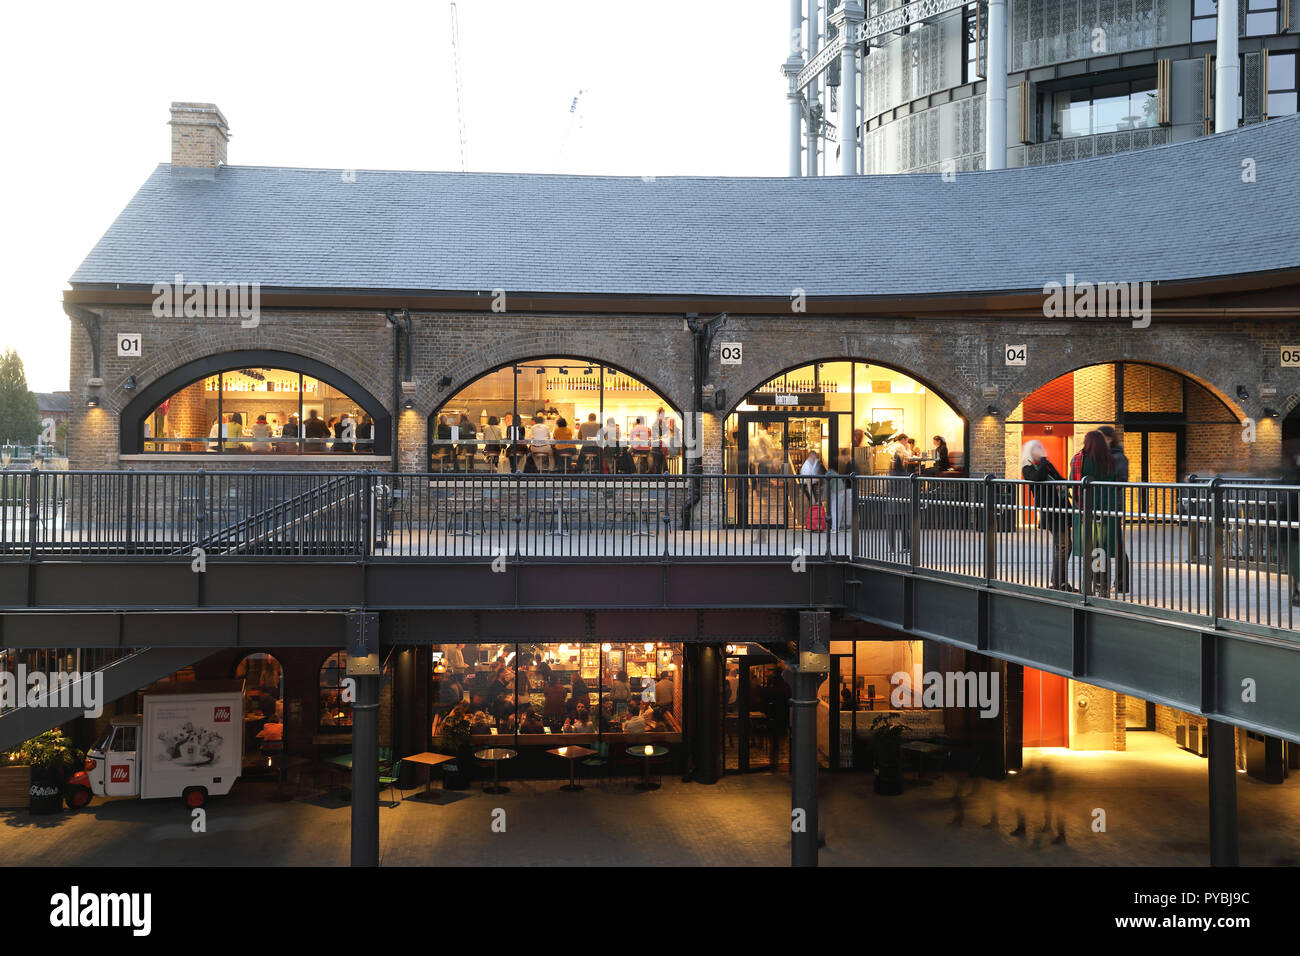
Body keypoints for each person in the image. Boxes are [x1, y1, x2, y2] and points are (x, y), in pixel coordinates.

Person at [1021, 439, 1075, 592]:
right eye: (1037, 447)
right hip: (1050, 511)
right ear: (1030, 451)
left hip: (1062, 507)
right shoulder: (1027, 468)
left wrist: (1069, 484)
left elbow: (1059, 478)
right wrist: (1044, 459)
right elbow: (1037, 478)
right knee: (1063, 546)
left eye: (1040, 446)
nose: (1040, 449)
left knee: (1065, 546)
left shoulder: (1047, 465)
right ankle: (1059, 583)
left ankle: (1059, 581)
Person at [1071, 430, 1120, 596]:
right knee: (1102, 550)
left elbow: (1073, 483)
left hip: (1088, 510)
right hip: (1107, 511)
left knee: (1091, 551)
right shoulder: (1111, 460)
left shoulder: (1081, 459)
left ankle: (1090, 586)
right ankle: (1103, 586)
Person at [1096, 426, 1131, 593]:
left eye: (1101, 437)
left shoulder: (1118, 457)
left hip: (1112, 506)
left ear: (1109, 438)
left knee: (1116, 545)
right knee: (1098, 544)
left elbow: (1121, 481)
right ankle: (1098, 581)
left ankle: (1121, 583)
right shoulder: (1104, 456)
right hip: (1101, 506)